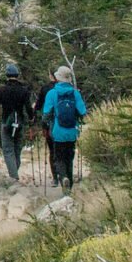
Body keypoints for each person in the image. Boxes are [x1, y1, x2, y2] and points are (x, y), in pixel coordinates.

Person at [40, 65, 87, 195]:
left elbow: (46, 115)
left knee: (59, 158)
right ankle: (69, 190)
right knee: (69, 159)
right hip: (72, 131)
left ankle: (63, 178)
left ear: (58, 78)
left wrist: (45, 126)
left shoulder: (52, 93)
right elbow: (83, 112)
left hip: (57, 132)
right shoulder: (75, 93)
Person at [0, 63, 32, 182]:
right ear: (17, 75)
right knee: (17, 148)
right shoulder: (24, 90)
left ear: (7, 75)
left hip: (6, 122)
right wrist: (32, 118)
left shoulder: (2, 90)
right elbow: (28, 108)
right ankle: (14, 171)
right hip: (20, 123)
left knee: (8, 150)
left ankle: (13, 176)